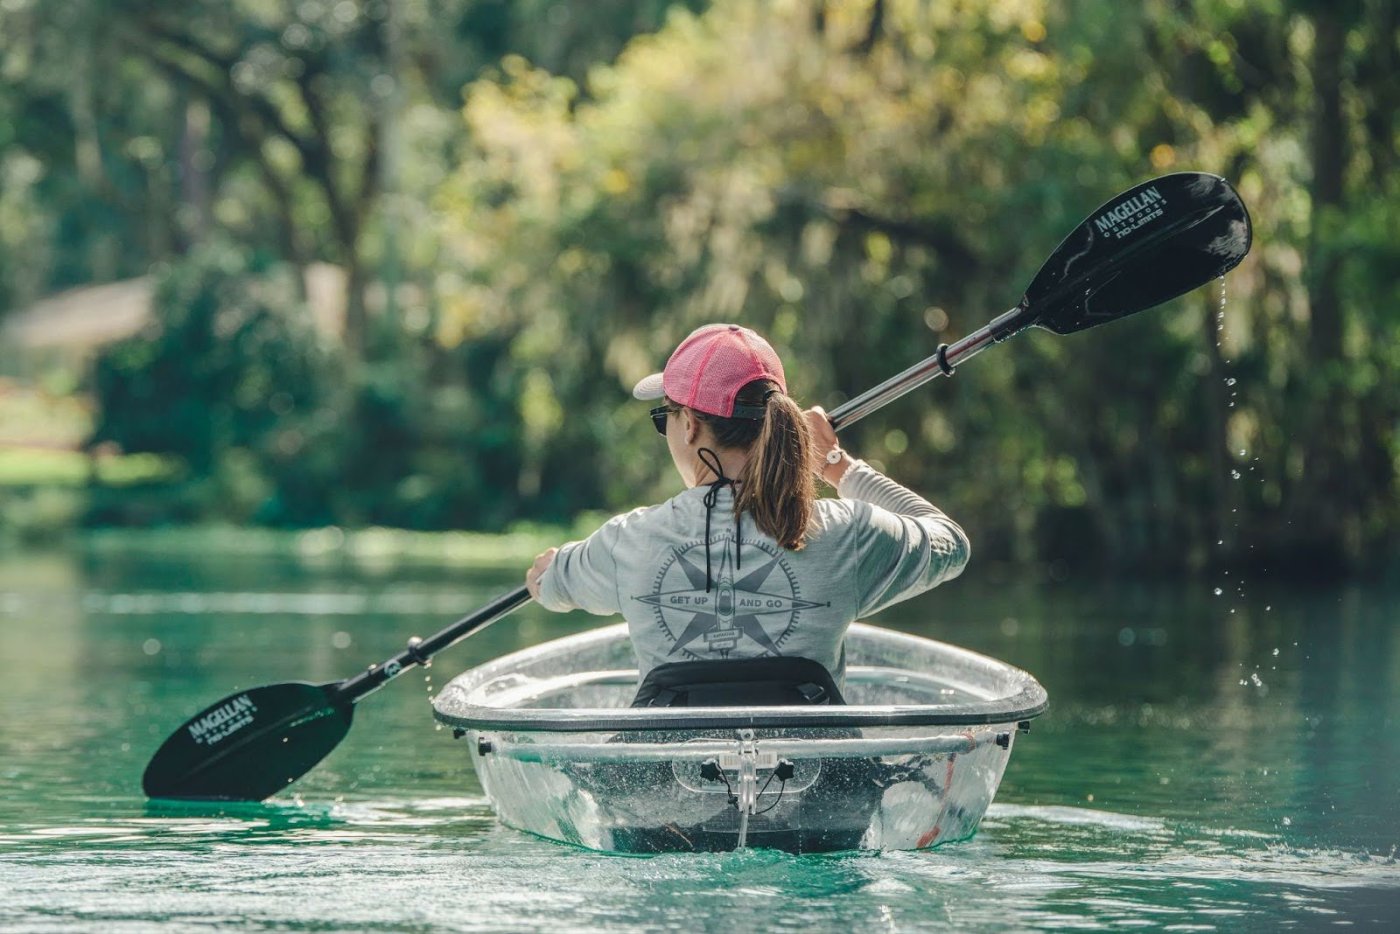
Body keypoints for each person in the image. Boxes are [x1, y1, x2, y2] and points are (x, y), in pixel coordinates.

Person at [525, 323, 969, 703]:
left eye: (665, 419)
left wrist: (551, 571)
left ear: (690, 426)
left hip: (669, 788)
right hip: (810, 785)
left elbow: (550, 585)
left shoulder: (626, 542)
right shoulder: (848, 532)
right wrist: (838, 466)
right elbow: (950, 542)